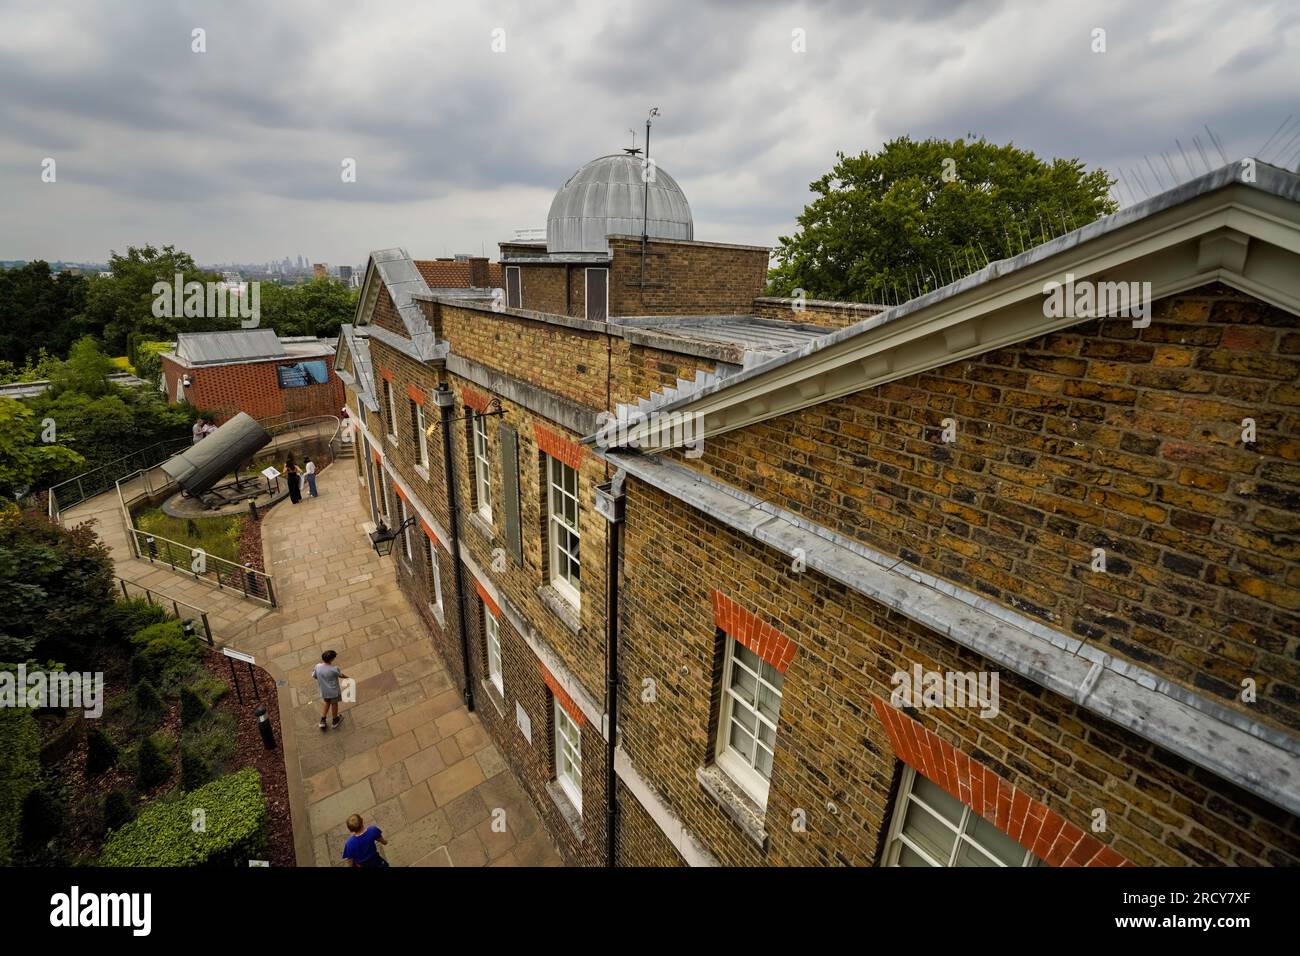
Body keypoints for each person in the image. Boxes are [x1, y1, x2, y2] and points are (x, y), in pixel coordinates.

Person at [311, 649, 347, 730]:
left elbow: (314, 675)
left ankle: (322, 720)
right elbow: (340, 675)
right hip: (333, 691)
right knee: (334, 704)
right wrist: (347, 677)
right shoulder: (334, 669)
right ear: (332, 659)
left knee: (327, 703)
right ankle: (335, 720)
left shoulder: (318, 666)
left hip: (324, 691)